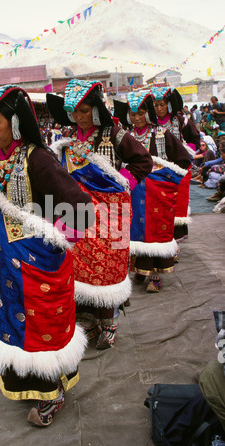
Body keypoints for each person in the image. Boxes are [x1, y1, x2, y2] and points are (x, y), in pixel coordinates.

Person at [0, 84, 95, 427]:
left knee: (43, 324)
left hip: (40, 263)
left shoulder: (38, 158)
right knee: (13, 322)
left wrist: (53, 242)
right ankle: (28, 381)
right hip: (8, 263)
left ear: (15, 122)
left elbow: (79, 208)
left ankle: (52, 390)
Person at [47, 79, 153, 349]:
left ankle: (110, 322)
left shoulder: (115, 134)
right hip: (78, 215)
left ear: (96, 109)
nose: (80, 117)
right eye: (75, 112)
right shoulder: (69, 140)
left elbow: (143, 161)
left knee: (107, 271)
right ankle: (87, 322)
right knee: (79, 268)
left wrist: (120, 183)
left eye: (85, 111)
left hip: (111, 214)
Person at [114, 90, 191, 292]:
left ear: (148, 114)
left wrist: (164, 178)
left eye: (140, 113)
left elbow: (183, 161)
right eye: (133, 114)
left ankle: (156, 276)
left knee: (156, 232)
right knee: (136, 232)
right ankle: (141, 270)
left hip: (157, 194)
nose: (137, 118)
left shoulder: (161, 134)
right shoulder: (126, 136)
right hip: (134, 192)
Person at [150, 86, 199, 246]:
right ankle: (162, 237)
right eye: (156, 105)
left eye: (162, 105)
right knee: (160, 204)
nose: (159, 108)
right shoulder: (151, 122)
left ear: (169, 105)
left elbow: (194, 140)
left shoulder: (181, 120)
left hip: (180, 168)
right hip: (159, 169)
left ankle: (176, 240)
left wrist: (185, 151)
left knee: (178, 204)